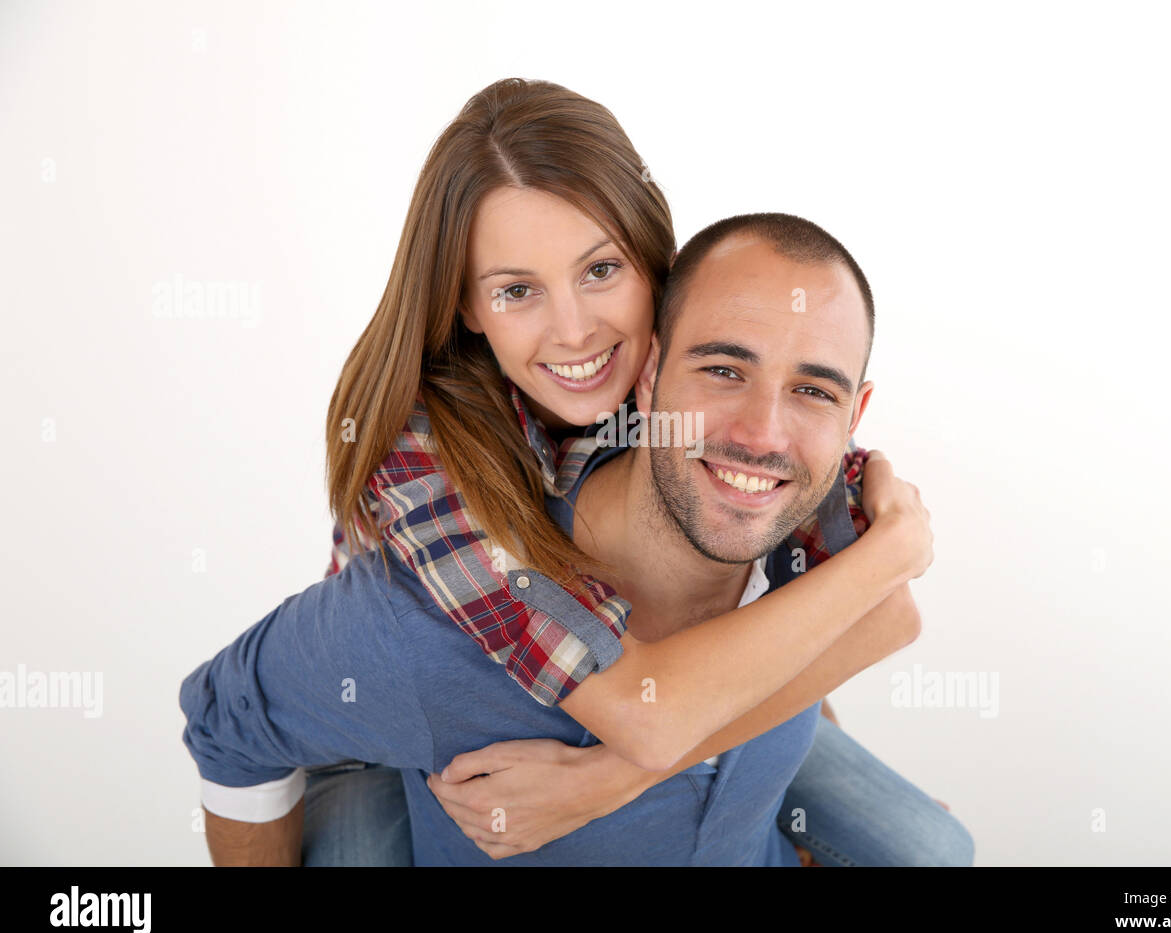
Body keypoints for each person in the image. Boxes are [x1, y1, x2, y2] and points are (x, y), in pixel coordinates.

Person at [191, 76, 972, 864]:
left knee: (930, 846)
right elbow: (651, 718)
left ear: (655, 267)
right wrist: (896, 552)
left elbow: (881, 609)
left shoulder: (706, 372)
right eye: (517, 290)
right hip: (378, 723)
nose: (573, 332)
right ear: (466, 305)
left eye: (600, 271)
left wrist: (611, 780)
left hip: (662, 706)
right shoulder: (427, 463)